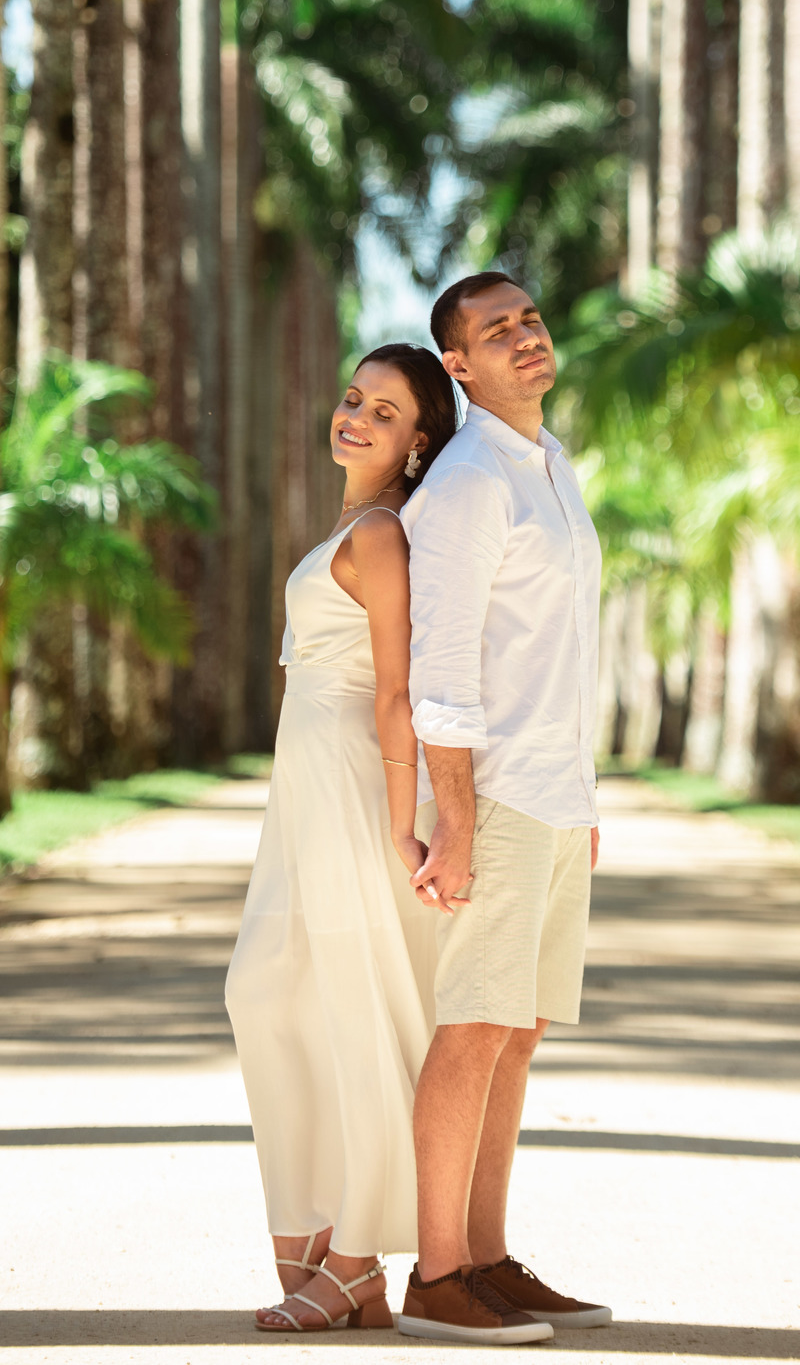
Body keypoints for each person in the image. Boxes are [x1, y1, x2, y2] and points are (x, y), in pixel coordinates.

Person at [394, 272, 613, 1346]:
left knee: (517, 1032)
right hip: (500, 795)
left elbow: (554, 655)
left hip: (553, 794)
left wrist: (583, 800)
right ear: (459, 366)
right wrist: (462, 821)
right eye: (497, 330)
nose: (525, 336)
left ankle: (485, 1256)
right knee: (474, 1024)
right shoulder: (475, 478)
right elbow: (441, 668)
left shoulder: (549, 463)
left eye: (531, 317)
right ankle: (437, 1275)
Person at [224, 343, 457, 1334]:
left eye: (387, 411)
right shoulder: (353, 528)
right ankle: (311, 1232)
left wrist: (402, 828)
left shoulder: (380, 539)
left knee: (355, 1013)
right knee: (265, 990)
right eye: (355, 398)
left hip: (356, 791)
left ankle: (354, 1251)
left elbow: (399, 693)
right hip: (305, 787)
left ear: (418, 444)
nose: (356, 416)